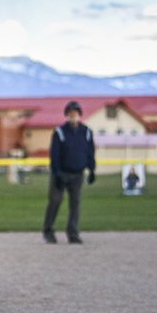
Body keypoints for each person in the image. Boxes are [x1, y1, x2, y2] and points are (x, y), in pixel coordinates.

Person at [43, 100, 95, 245]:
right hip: (61, 174)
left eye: (76, 113)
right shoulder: (60, 132)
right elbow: (54, 154)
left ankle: (73, 233)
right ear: (67, 115)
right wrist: (57, 172)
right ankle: (48, 231)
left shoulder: (86, 132)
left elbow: (90, 152)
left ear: (80, 114)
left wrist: (92, 169)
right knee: (55, 202)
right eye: (71, 113)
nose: (73, 115)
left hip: (77, 174)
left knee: (75, 204)